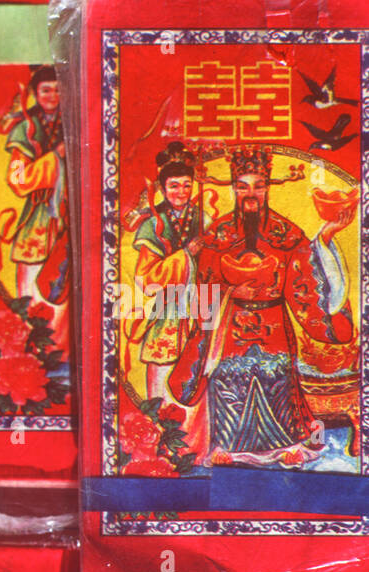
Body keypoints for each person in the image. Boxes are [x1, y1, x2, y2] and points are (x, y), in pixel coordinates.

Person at [170, 144, 355, 467]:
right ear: (233, 190)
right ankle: (229, 446)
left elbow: (304, 288)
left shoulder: (288, 235)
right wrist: (230, 291)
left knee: (276, 381)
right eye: (242, 186)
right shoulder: (217, 234)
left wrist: (325, 237)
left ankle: (286, 445)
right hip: (229, 329)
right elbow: (203, 290)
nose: (250, 194)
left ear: (268, 188)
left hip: (274, 327)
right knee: (231, 382)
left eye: (258, 185)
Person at [130, 142, 208, 402]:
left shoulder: (203, 218)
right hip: (168, 307)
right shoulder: (154, 224)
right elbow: (146, 278)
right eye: (174, 186)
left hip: (203, 305)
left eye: (187, 185)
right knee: (162, 374)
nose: (181, 192)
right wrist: (186, 256)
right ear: (163, 189)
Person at [3, 66, 68, 323]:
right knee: (30, 287)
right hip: (39, 214)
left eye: (57, 89)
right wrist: (55, 158)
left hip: (69, 213)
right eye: (45, 90)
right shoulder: (25, 128)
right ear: (35, 93)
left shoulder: (74, 121)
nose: (52, 95)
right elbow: (18, 180)